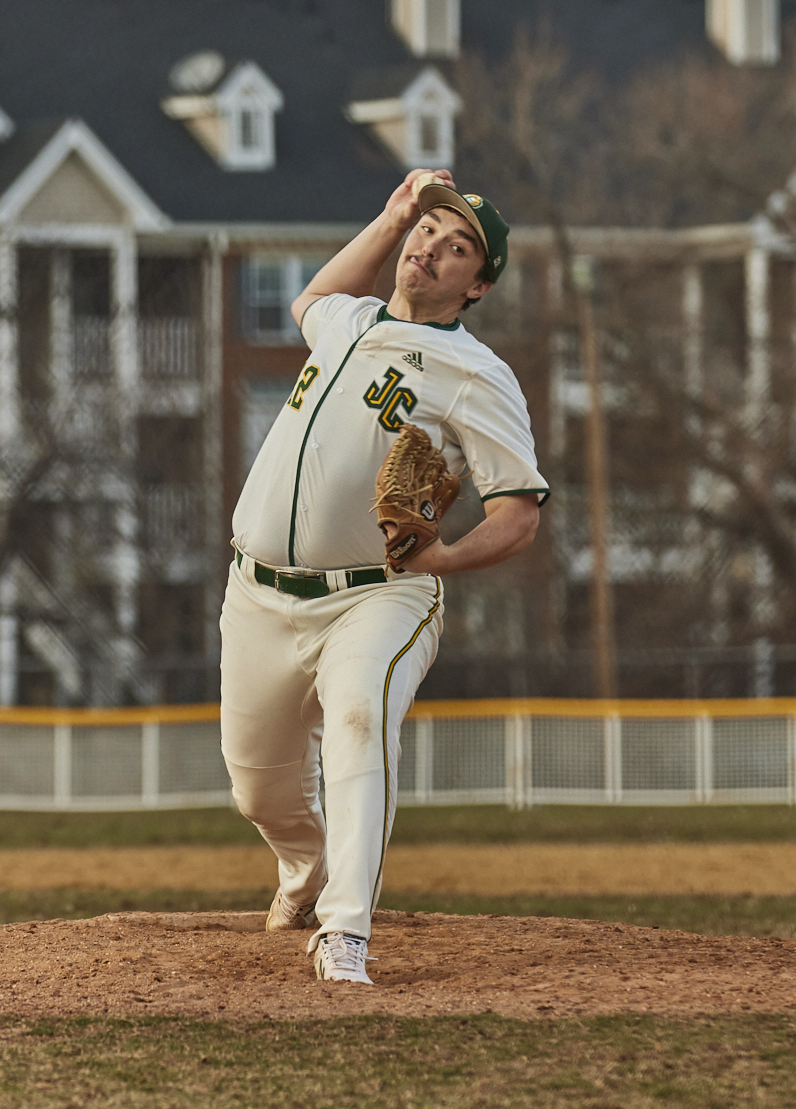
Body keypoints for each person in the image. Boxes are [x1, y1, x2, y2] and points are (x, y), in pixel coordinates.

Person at [220, 167, 548, 984]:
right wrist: (389, 213)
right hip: (257, 594)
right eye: (427, 231)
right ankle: (307, 872)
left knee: (360, 720)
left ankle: (346, 935)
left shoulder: (477, 373)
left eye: (459, 245)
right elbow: (311, 299)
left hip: (378, 592)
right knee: (258, 794)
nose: (432, 247)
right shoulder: (350, 322)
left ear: (480, 285)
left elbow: (519, 511)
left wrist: (443, 558)